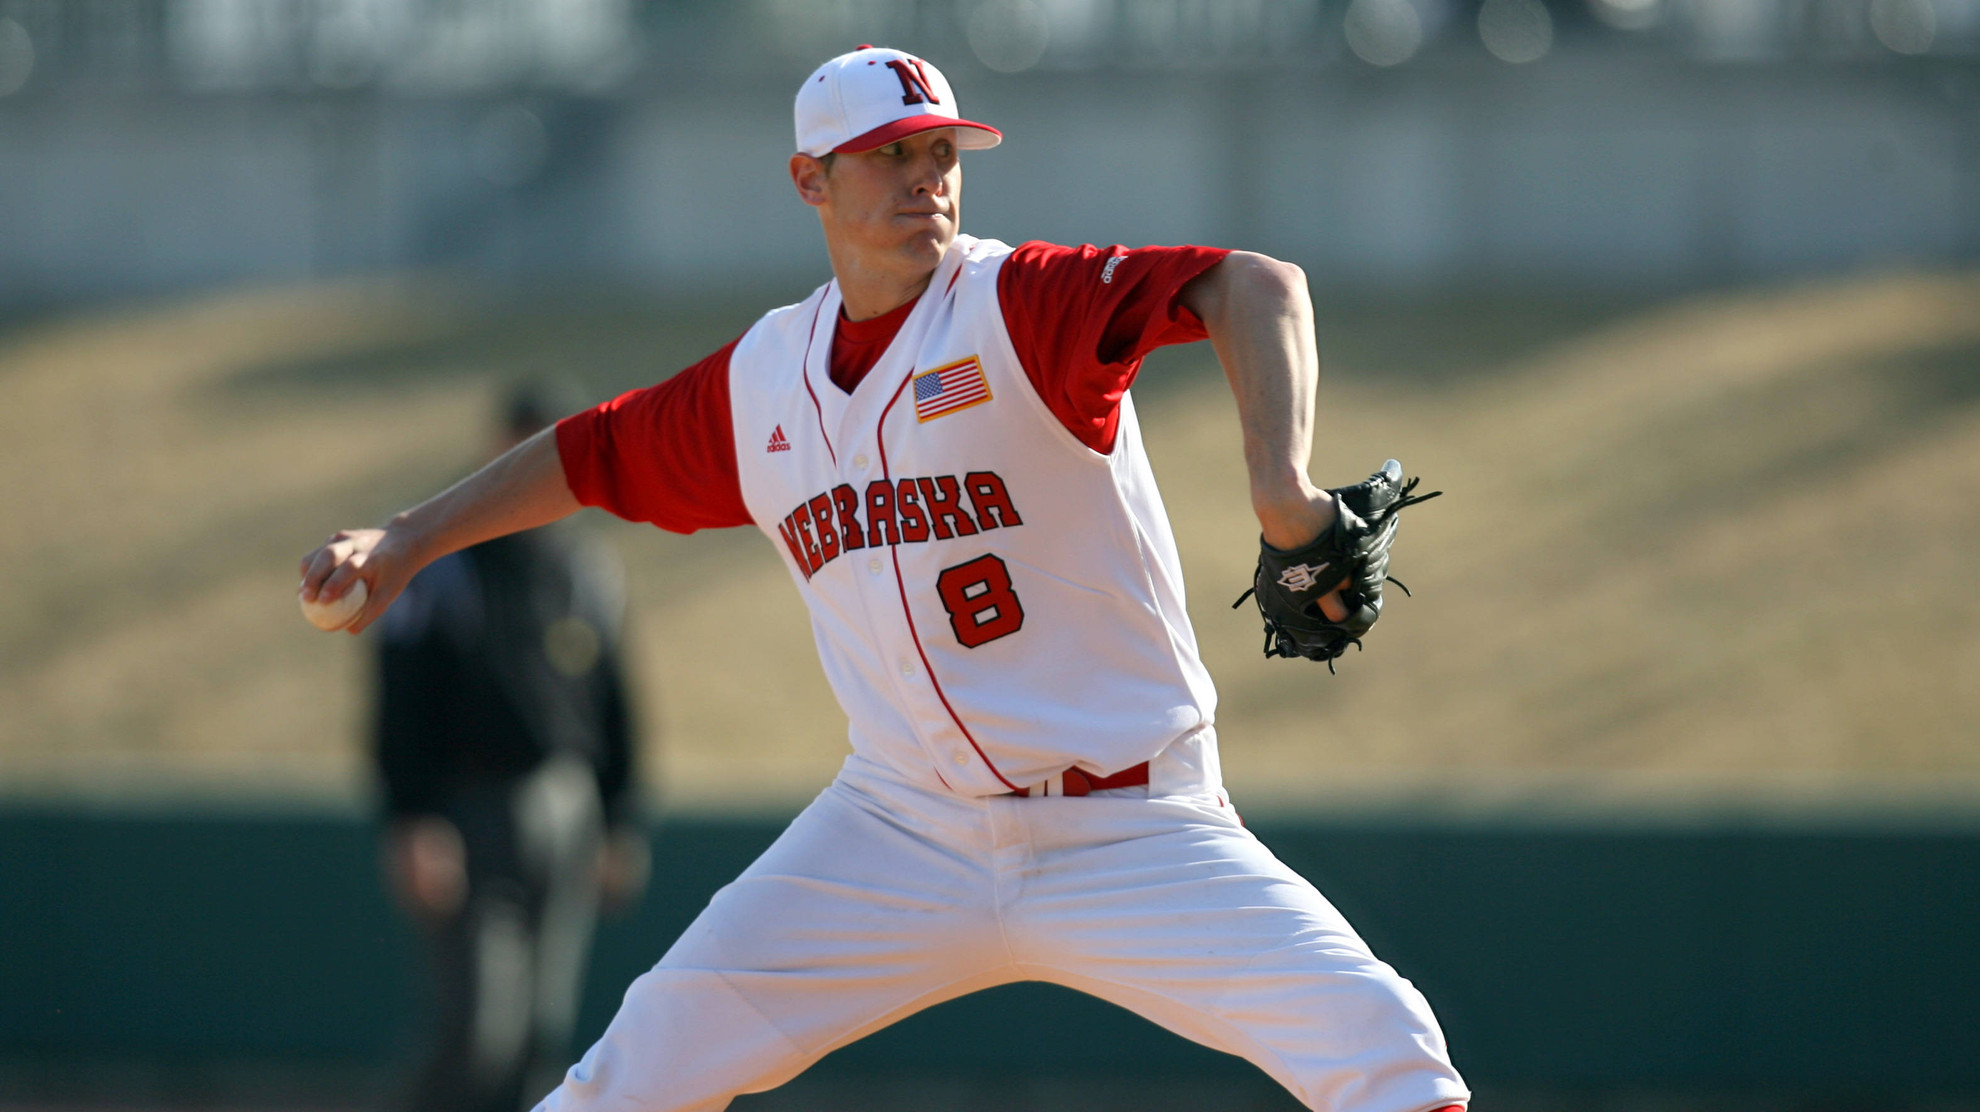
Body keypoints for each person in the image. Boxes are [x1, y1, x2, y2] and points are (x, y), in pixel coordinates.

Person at [302, 46, 1468, 1112]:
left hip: (1130, 820)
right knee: (633, 1070)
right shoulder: (765, 382)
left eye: (941, 152)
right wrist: (406, 538)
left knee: (1386, 1050)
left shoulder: (1017, 306)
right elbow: (592, 451)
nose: (927, 178)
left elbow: (1255, 285)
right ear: (810, 181)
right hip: (900, 828)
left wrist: (1282, 491)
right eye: (890, 155)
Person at [371, 381, 649, 1112]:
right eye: (519, 450)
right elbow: (399, 700)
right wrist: (412, 817)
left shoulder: (582, 570)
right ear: (494, 455)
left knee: (545, 1030)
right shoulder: (444, 564)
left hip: (568, 802)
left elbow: (616, 702)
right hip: (471, 808)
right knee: (479, 1030)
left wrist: (618, 818)